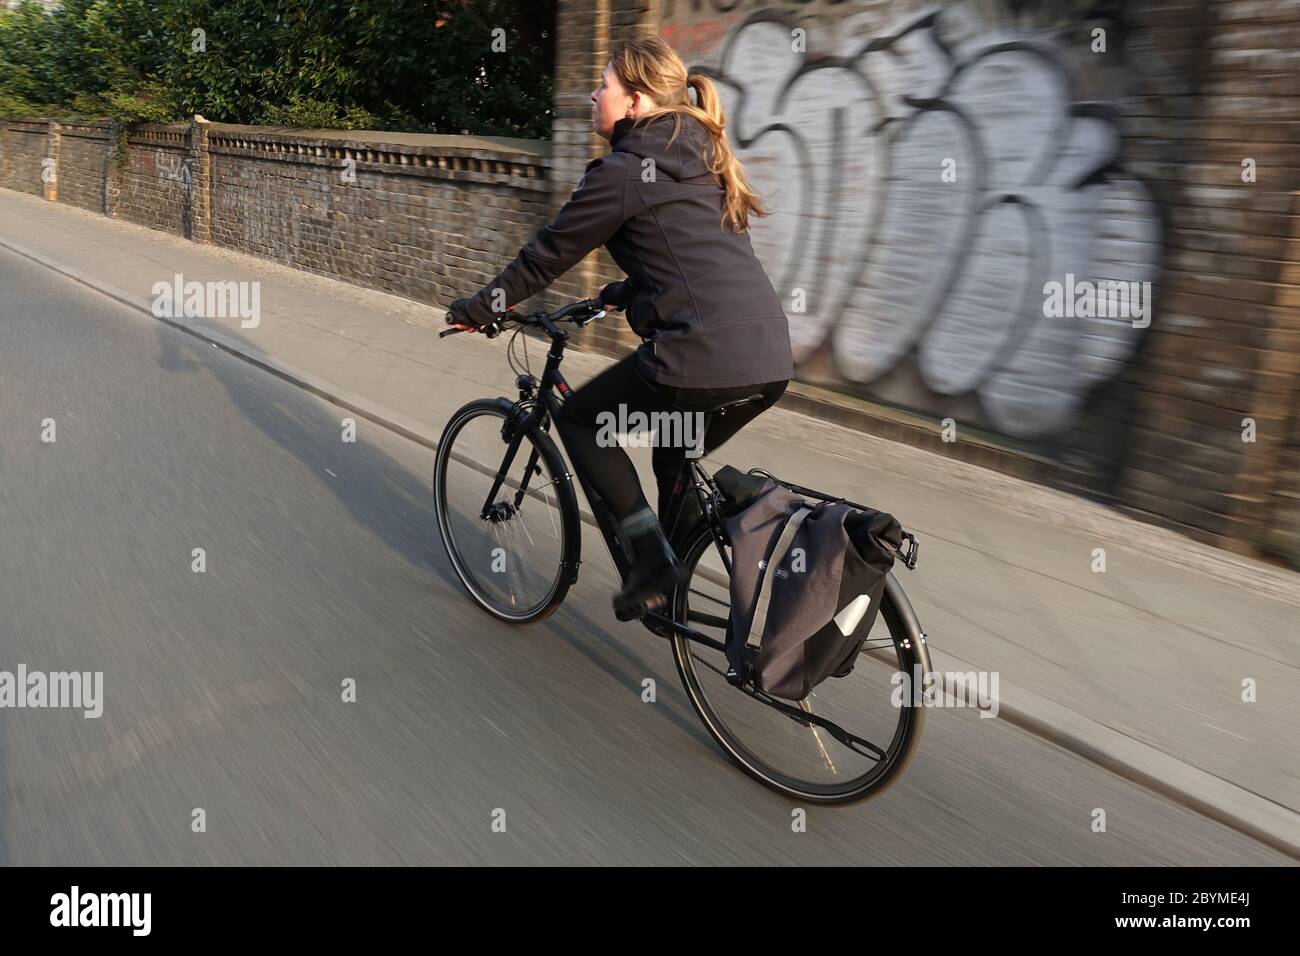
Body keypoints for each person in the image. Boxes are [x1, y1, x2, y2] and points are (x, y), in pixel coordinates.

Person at [448, 35, 792, 620]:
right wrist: (615, 295)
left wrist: (482, 307)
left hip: (701, 356)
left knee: (582, 421)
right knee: (673, 446)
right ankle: (674, 589)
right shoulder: (701, 159)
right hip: (769, 360)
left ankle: (655, 568)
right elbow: (693, 266)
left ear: (634, 100)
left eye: (602, 85)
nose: (591, 94)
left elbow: (547, 254)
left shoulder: (627, 171)